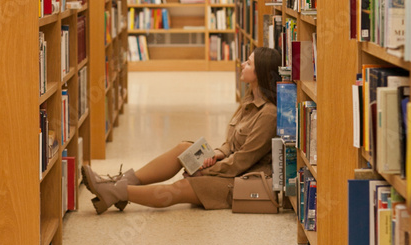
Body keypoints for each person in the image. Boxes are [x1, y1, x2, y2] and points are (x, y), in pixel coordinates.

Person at [81, 47, 282, 214]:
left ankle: (113, 191)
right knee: (184, 148)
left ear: (260, 74)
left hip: (241, 178)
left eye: (249, 63)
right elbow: (231, 144)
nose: (242, 64)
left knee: (179, 189)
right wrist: (217, 154)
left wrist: (206, 171)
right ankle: (117, 181)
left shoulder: (268, 114)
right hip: (229, 164)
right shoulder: (249, 100)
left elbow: (243, 161)